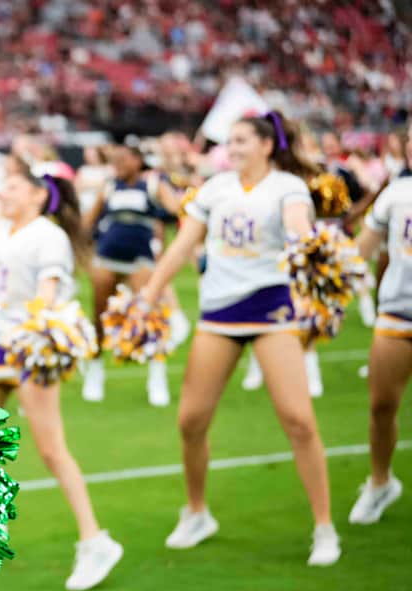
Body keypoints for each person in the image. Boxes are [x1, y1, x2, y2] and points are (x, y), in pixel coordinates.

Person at [138, 112, 340, 566]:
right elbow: (182, 245)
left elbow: (298, 226)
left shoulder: (286, 186)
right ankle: (196, 512)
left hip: (271, 311)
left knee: (299, 420)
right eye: (230, 140)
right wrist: (149, 295)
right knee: (191, 421)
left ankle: (324, 526)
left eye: (243, 140)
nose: (233, 147)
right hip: (219, 313)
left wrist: (304, 245)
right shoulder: (215, 188)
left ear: (267, 145)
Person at [0, 171, 124, 591]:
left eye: (14, 185)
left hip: (32, 347)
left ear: (37, 195)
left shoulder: (47, 236)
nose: (4, 191)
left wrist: (37, 327)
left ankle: (94, 540)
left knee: (51, 448)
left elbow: (48, 290)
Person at [80, 146, 173, 407]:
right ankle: (96, 370)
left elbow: (175, 209)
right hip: (107, 257)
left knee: (150, 314)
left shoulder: (153, 184)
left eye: (124, 159)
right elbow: (89, 221)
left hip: (140, 259)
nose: (118, 164)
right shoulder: (109, 186)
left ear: (138, 160)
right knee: (99, 314)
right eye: (115, 160)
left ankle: (157, 377)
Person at [348, 152, 411, 524]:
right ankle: (380, 482)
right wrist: (323, 270)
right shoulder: (396, 193)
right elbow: (362, 250)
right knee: (381, 406)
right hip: (398, 311)